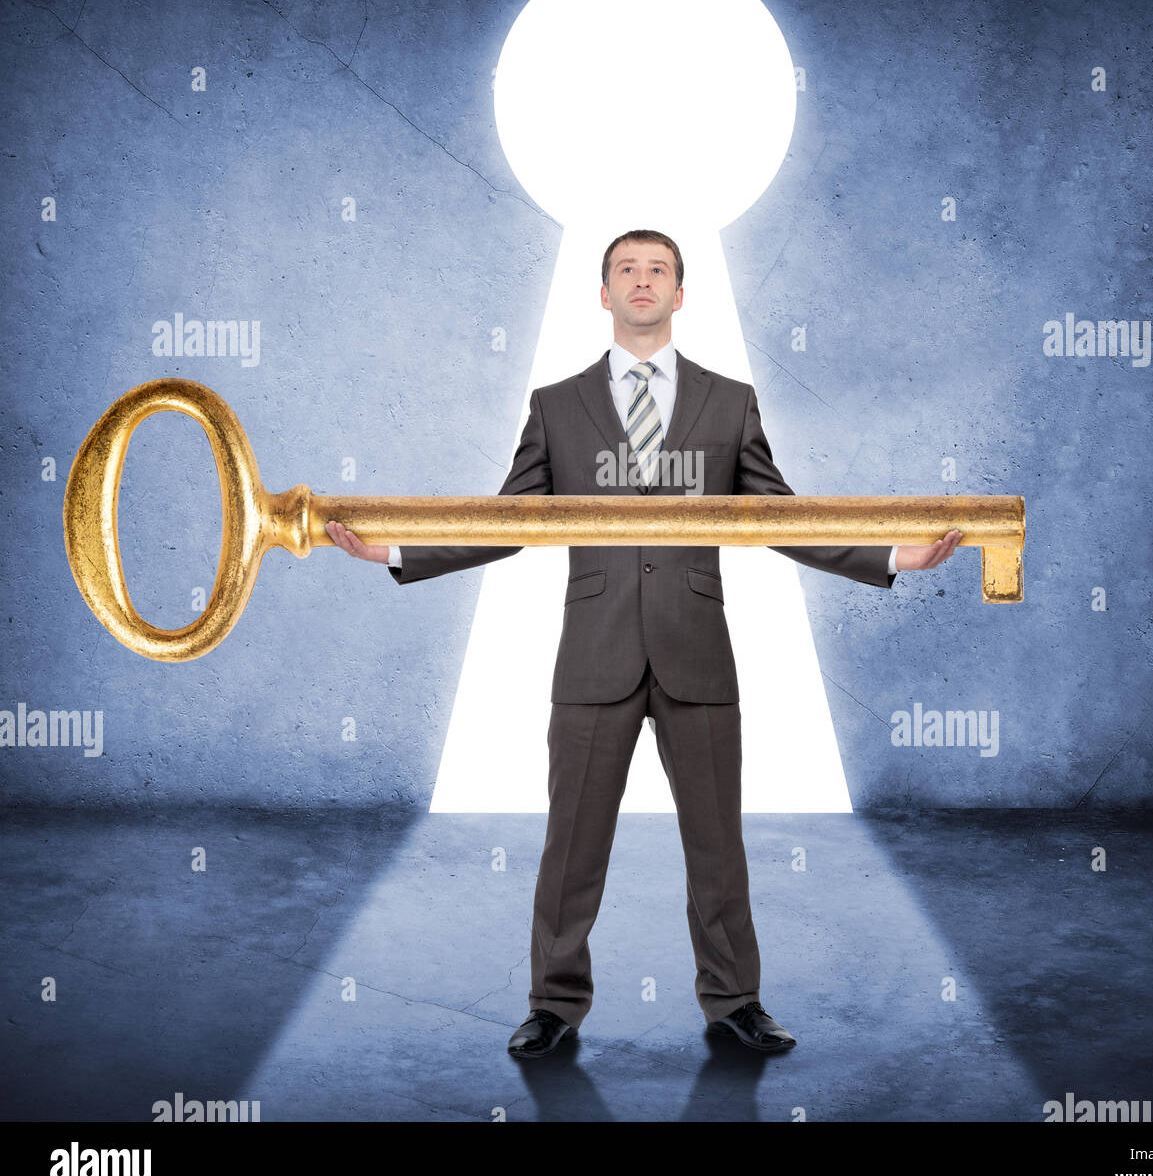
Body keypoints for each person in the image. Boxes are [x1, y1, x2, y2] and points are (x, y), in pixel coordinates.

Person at [327, 229, 960, 1058]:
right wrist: (397, 551)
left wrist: (890, 555)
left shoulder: (729, 401)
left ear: (680, 294)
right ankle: (553, 1007)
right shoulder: (557, 404)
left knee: (717, 844)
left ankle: (734, 1003)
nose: (642, 280)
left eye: (658, 269)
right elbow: (509, 522)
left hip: (697, 648)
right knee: (571, 846)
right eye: (626, 269)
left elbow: (780, 519)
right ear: (603, 293)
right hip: (593, 652)